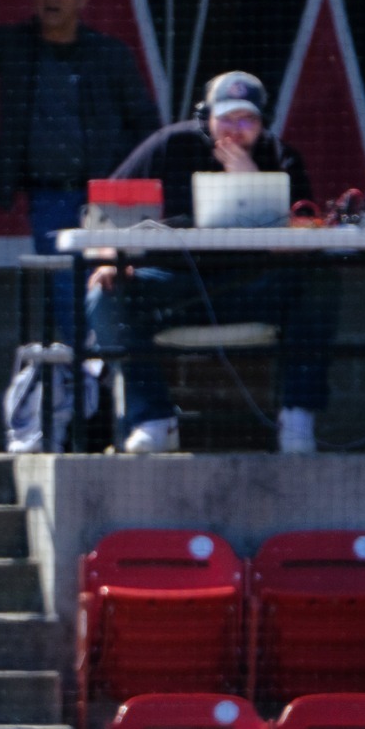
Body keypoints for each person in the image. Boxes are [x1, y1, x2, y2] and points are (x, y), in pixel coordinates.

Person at [89, 70, 334, 453]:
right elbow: (105, 212)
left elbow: (307, 236)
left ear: (262, 122)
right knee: (104, 298)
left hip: (251, 288)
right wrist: (110, 259)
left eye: (246, 119)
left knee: (318, 281)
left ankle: (297, 418)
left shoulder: (280, 155)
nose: (235, 130)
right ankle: (154, 419)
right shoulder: (170, 144)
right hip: (175, 287)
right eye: (226, 118)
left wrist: (251, 183)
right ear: (207, 116)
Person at [0, 0, 163, 341]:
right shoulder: (17, 48)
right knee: (66, 293)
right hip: (50, 199)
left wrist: (127, 189)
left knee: (112, 288)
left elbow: (147, 127)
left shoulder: (110, 55)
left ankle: (112, 384)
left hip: (107, 201)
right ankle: (85, 389)